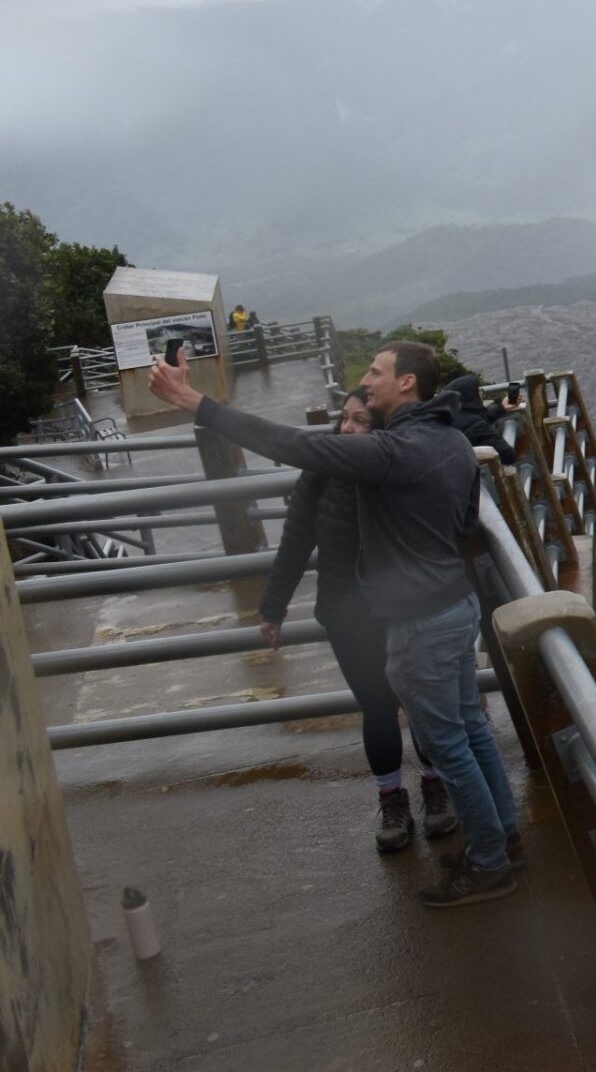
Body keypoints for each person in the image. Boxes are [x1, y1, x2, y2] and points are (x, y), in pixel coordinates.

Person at [149, 339, 523, 908]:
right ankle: (504, 839)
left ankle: (490, 862)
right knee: (470, 728)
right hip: (456, 605)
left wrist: (194, 402)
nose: (365, 380)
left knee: (448, 743)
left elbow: (291, 444)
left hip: (419, 623)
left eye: (376, 371)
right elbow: (465, 523)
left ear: (407, 384)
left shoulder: (393, 452)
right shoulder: (452, 439)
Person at [257, 388, 457, 853]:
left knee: (424, 701)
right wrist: (273, 606)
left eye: (361, 421)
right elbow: (296, 539)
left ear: (382, 428)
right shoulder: (323, 471)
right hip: (346, 615)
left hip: (404, 609)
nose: (348, 429)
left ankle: (436, 785)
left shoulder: (400, 468)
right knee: (378, 707)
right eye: (344, 419)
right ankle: (392, 799)